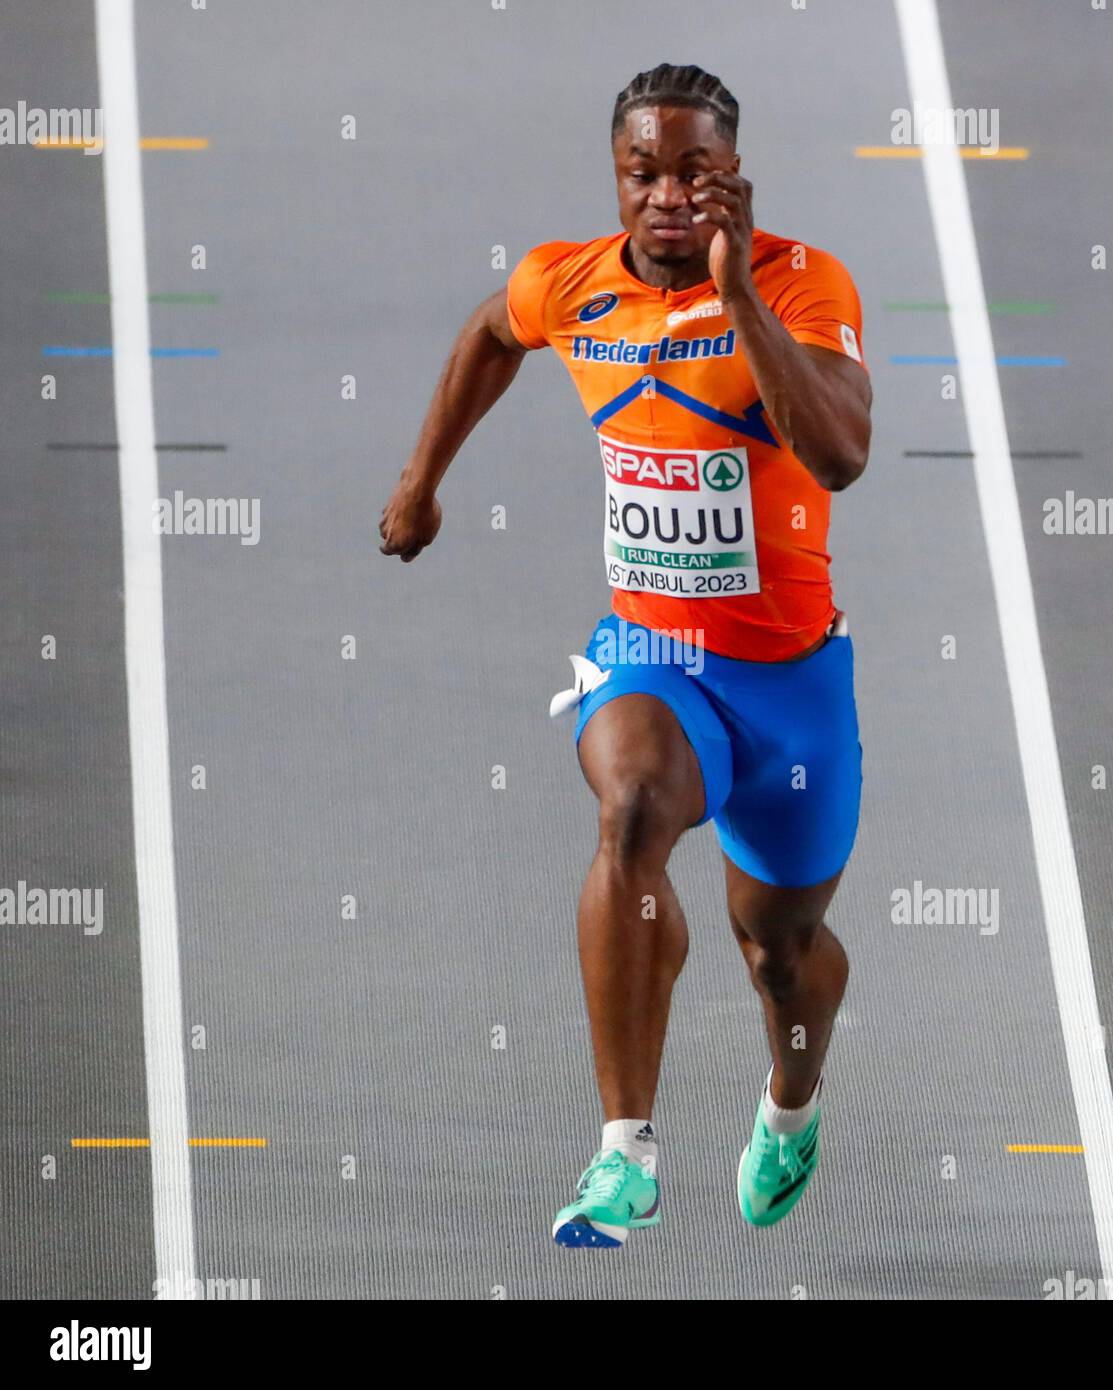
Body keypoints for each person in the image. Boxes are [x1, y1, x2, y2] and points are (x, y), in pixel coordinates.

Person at [380, 63, 872, 1248]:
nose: (665, 197)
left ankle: (792, 1106)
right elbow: (492, 333)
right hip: (652, 653)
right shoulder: (570, 282)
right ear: (617, 175)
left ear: (732, 178)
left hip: (790, 687)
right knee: (632, 806)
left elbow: (842, 451)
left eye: (694, 174)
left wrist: (738, 295)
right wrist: (421, 481)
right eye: (642, 174)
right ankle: (624, 1153)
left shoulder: (805, 284)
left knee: (780, 953)